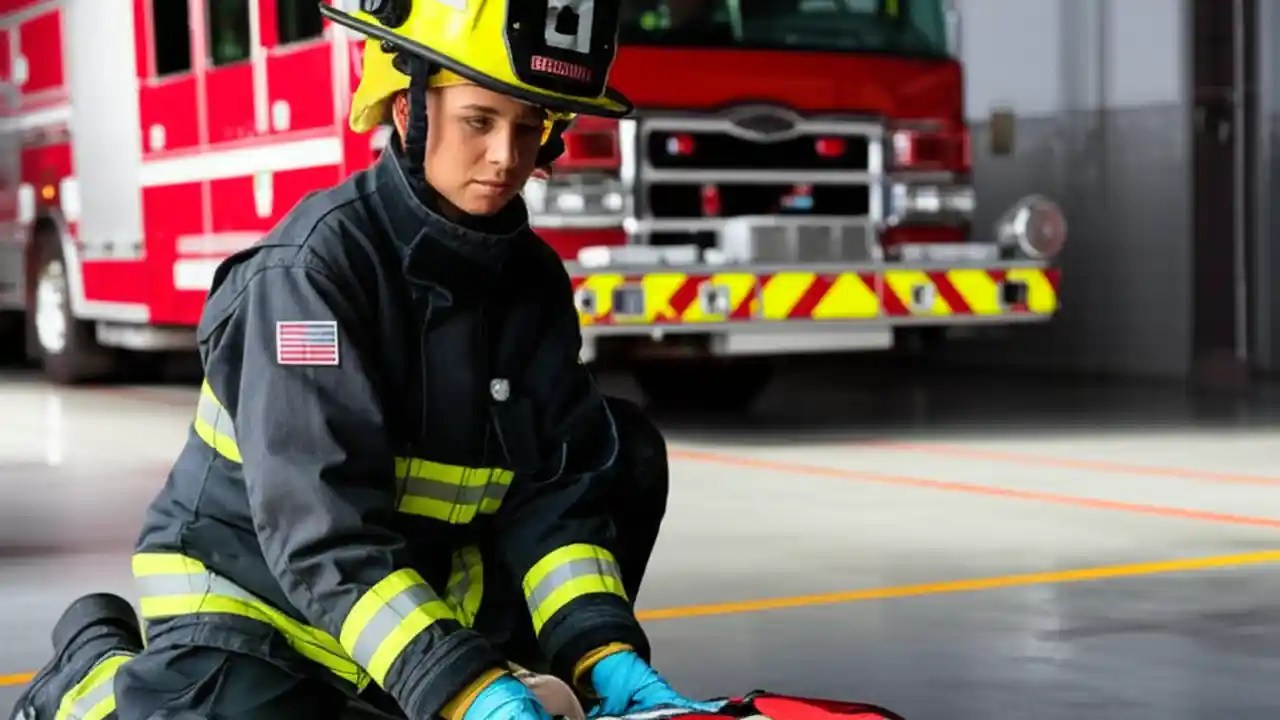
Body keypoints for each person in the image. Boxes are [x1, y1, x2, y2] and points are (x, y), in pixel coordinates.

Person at [8, 1, 719, 718]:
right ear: (409, 112)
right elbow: (323, 534)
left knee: (618, 450)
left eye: (530, 126)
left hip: (397, 598)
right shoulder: (312, 277)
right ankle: (92, 674)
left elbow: (555, 497)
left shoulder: (530, 282)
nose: (508, 156)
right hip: (257, 611)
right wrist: (462, 687)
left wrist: (600, 652)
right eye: (479, 120)